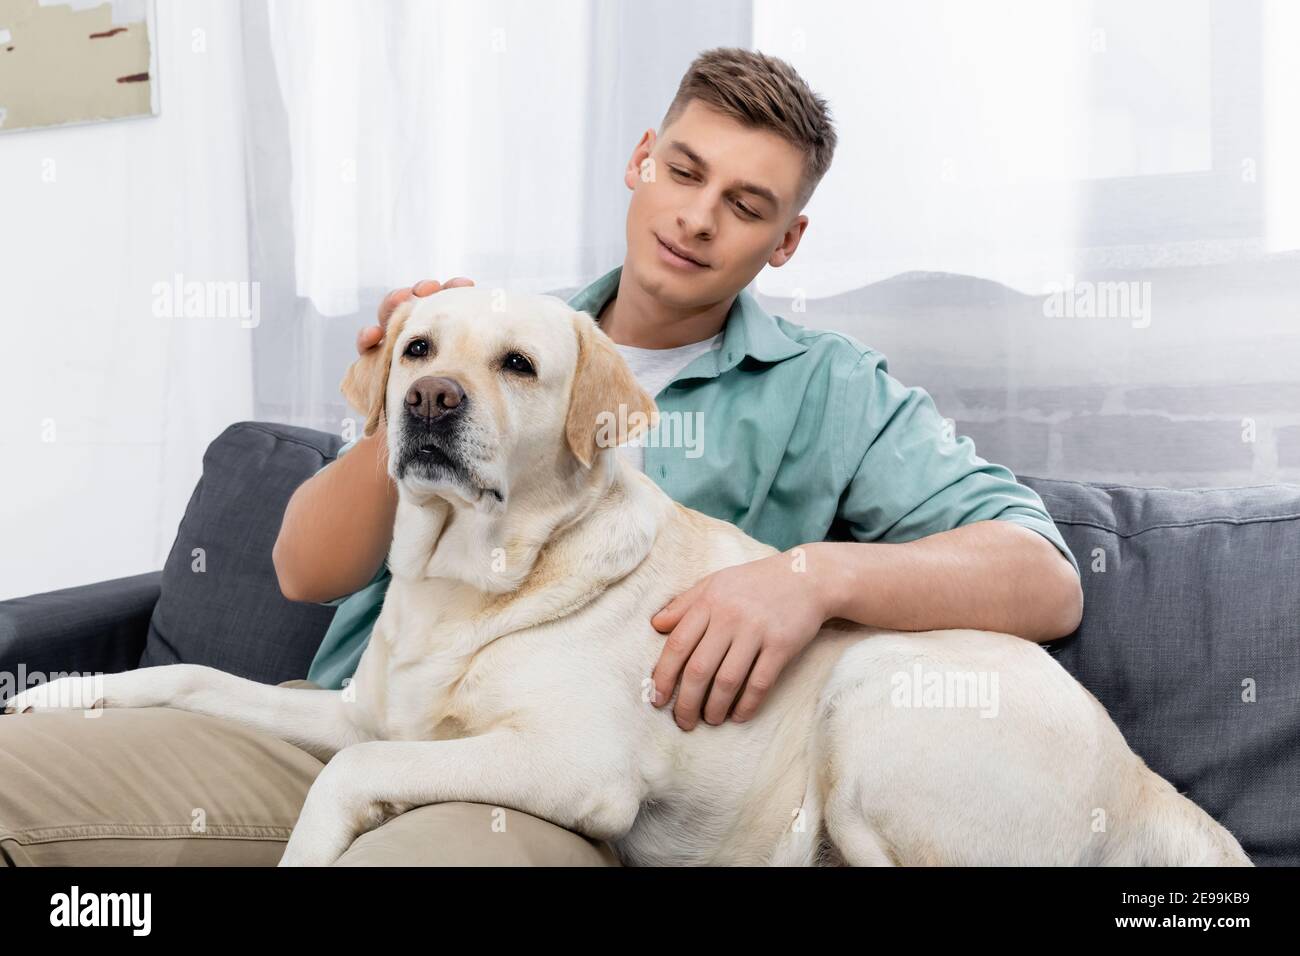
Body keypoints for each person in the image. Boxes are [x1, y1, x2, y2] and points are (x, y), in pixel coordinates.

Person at [0, 48, 1080, 868]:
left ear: (784, 240)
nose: (696, 217)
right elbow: (304, 573)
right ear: (640, 161)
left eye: (745, 205)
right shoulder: (487, 328)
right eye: (683, 170)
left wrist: (810, 576)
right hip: (349, 724)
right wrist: (404, 394)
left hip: (535, 792)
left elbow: (1043, 573)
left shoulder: (831, 387)